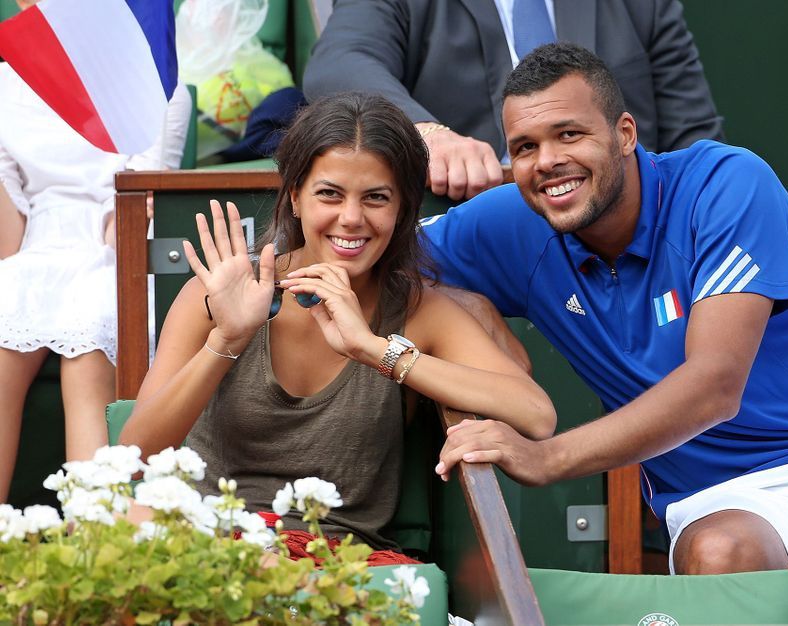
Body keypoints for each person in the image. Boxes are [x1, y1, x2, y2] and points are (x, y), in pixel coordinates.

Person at [423, 42, 788, 575]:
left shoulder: (725, 182)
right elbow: (370, 257)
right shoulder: (512, 224)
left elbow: (713, 386)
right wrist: (471, 317)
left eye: (570, 134)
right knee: (720, 555)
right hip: (729, 503)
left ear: (624, 135)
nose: (547, 161)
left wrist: (546, 458)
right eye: (524, 147)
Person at [118, 93, 555, 560]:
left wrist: (372, 349)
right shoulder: (221, 294)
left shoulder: (418, 310)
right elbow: (133, 457)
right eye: (329, 193)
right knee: (124, 517)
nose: (351, 218)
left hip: (332, 561)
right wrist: (226, 339)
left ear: (402, 209)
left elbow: (536, 414)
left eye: (376, 198)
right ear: (296, 197)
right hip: (204, 543)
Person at [0, 3, 191, 503]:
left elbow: (128, 216)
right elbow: (9, 240)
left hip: (115, 253)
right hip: (33, 256)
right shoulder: (6, 82)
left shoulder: (154, 78)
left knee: (86, 346)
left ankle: (96, 543)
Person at [303, 0, 724, 201]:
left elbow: (695, 140)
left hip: (625, 245)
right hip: (472, 233)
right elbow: (339, 64)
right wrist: (429, 135)